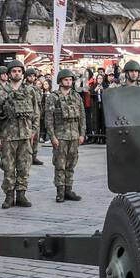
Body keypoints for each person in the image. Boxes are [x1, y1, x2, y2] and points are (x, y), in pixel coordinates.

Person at [46, 68, 86, 202]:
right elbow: (49, 118)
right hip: (60, 136)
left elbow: (82, 117)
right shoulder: (53, 97)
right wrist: (52, 136)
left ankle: (69, 189)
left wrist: (82, 134)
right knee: (60, 165)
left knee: (71, 164)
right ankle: (60, 191)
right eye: (66, 80)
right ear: (60, 81)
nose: (68, 82)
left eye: (70, 80)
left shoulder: (76, 96)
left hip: (74, 136)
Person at [2, 67, 39, 207]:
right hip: (8, 136)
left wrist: (33, 131)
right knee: (8, 167)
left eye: (19, 71)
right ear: (9, 74)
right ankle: (9, 196)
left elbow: (36, 113)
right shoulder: (3, 93)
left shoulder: (30, 92)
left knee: (24, 167)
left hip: (25, 136)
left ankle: (21, 195)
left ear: (22, 74)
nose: (16, 73)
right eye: (14, 71)